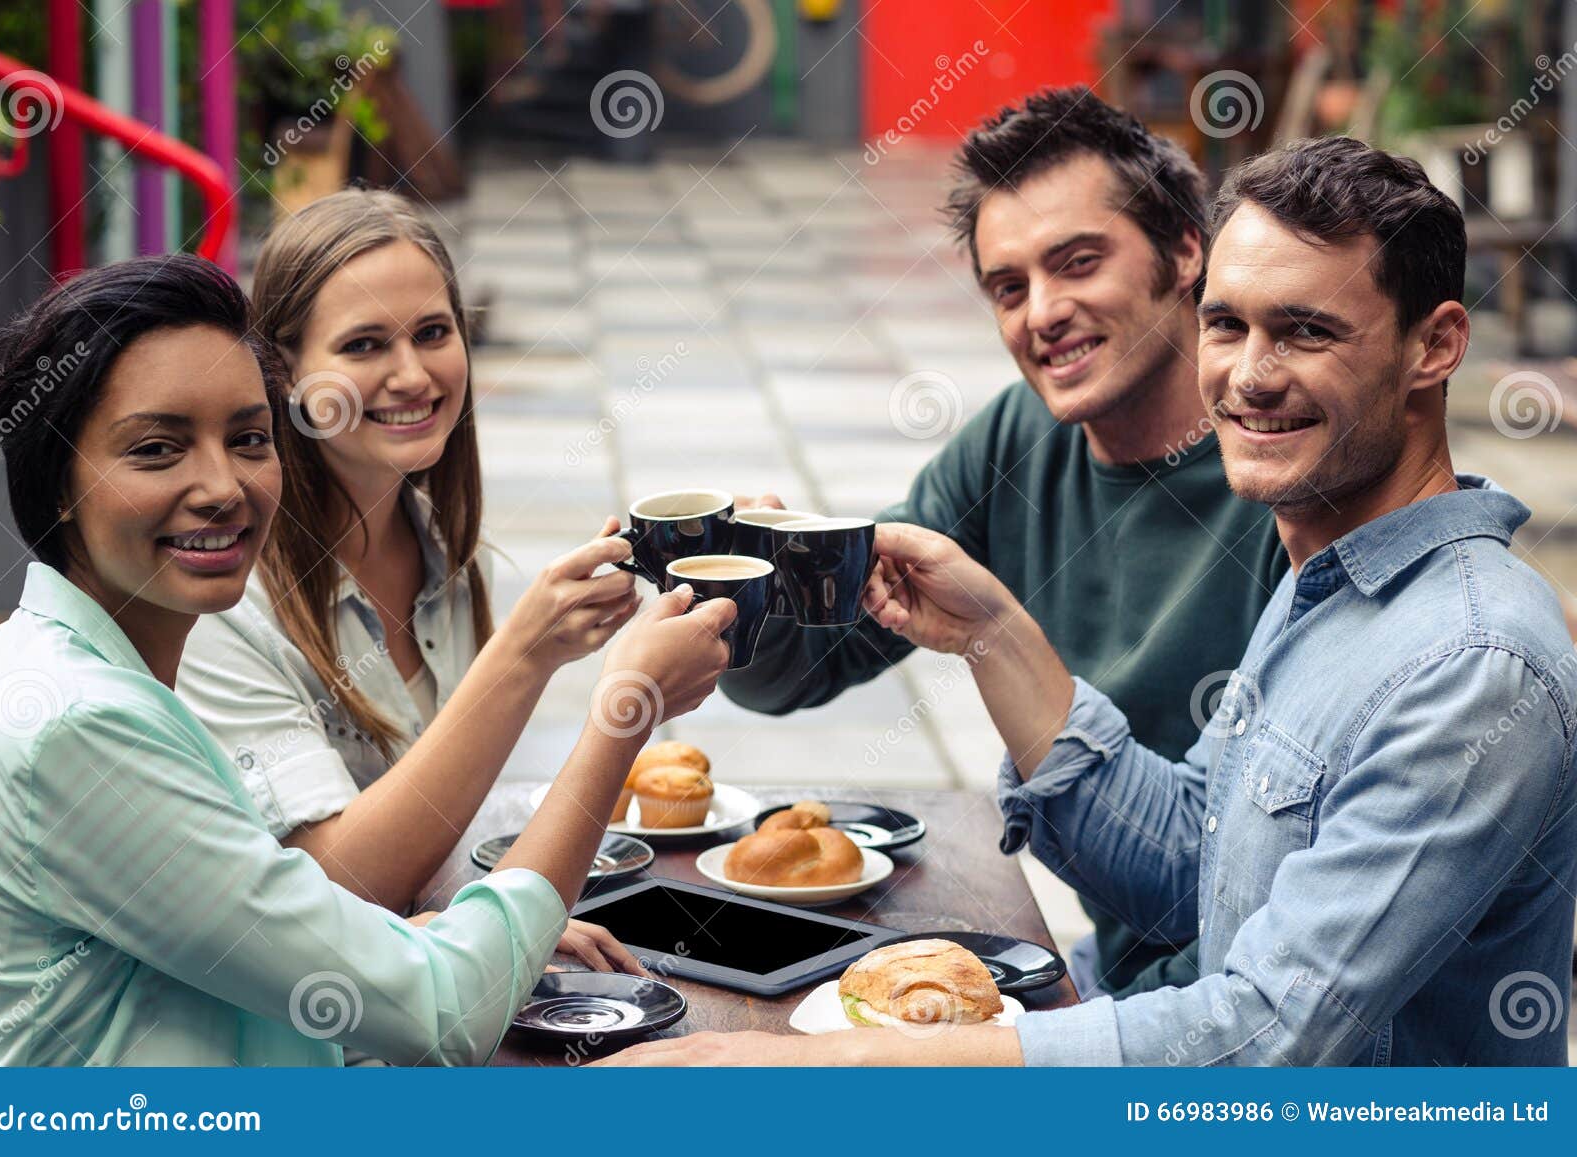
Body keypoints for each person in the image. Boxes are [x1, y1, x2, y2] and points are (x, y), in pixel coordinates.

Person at [601, 137, 1577, 1067]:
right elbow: (1190, 867)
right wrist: (989, 631)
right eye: (1227, 324)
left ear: (1435, 346)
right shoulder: (1328, 574)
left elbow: (1263, 1040)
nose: (1247, 374)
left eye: (1306, 330)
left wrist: (856, 1059)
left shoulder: (1470, 666)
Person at [0, 255, 732, 1065]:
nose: (222, 485)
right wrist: (624, 710)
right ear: (59, 482)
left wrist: (420, 934)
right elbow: (440, 1012)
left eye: (247, 439)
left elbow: (221, 927)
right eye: (158, 448)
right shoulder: (79, 728)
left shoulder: (64, 667)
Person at [722, 87, 1288, 998]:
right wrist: (747, 584)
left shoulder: (1278, 478)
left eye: (1078, 263)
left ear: (1189, 249)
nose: (1043, 312)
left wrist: (1065, 1033)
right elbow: (801, 671)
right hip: (1121, 975)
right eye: (1009, 286)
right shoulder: (1019, 440)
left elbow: (1253, 899)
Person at [175, 190, 638, 968]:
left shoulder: (457, 565)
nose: (412, 375)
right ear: (284, 373)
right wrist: (548, 667)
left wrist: (487, 916)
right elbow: (330, 892)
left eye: (433, 332)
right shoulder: (227, 605)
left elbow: (421, 858)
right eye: (363, 346)